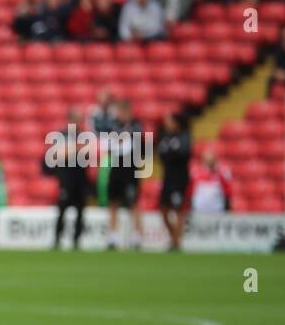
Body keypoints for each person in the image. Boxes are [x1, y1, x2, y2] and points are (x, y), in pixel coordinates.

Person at [99, 99, 145, 249]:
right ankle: (113, 237)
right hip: (116, 168)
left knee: (133, 203)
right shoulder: (113, 126)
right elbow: (108, 145)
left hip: (131, 170)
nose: (119, 115)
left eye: (121, 111)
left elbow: (136, 146)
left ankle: (137, 237)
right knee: (113, 202)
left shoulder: (135, 126)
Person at [50, 107, 90, 250]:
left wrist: (71, 150)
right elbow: (56, 155)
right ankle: (57, 238)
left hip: (81, 179)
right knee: (62, 211)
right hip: (66, 179)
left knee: (80, 211)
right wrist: (75, 149)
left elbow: (87, 155)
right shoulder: (62, 135)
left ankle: (76, 241)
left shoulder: (84, 136)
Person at [156, 113, 192, 250]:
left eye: (170, 122)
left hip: (179, 180)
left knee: (178, 210)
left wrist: (170, 154)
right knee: (163, 209)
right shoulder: (165, 137)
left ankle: (176, 241)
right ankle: (173, 237)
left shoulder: (184, 137)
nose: (167, 125)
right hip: (167, 178)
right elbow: (162, 155)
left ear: (177, 123)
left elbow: (182, 153)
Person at [189, 148, 233, 214]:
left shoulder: (222, 173)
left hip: (217, 210)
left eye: (211, 160)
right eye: (207, 160)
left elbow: (228, 192)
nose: (209, 163)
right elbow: (190, 191)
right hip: (199, 211)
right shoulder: (195, 173)